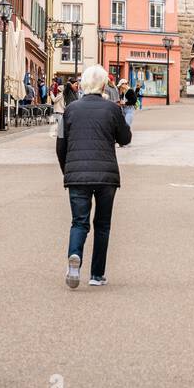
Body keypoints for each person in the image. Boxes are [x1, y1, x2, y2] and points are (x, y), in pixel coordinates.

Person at [56, 65, 132, 288]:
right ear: (103, 85)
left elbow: (60, 145)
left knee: (79, 222)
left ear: (83, 85)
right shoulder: (111, 109)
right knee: (102, 224)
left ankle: (75, 257)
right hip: (106, 176)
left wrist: (67, 171)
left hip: (77, 175)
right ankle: (97, 275)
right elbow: (125, 138)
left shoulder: (70, 110)